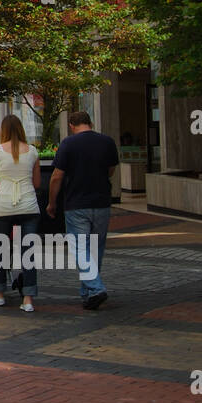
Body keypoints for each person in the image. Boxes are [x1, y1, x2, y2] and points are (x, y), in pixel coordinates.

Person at [48, 110, 119, 310]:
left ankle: (95, 288)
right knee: (96, 250)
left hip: (76, 203)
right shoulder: (107, 142)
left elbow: (56, 176)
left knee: (79, 248)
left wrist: (52, 202)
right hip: (102, 201)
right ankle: (87, 294)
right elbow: (111, 169)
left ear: (71, 125)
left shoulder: (68, 144)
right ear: (91, 122)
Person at [0, 114, 43, 312]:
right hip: (28, 205)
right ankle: (28, 299)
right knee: (29, 252)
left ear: (4, 130)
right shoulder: (33, 151)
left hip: (3, 206)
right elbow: (36, 184)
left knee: (0, 248)